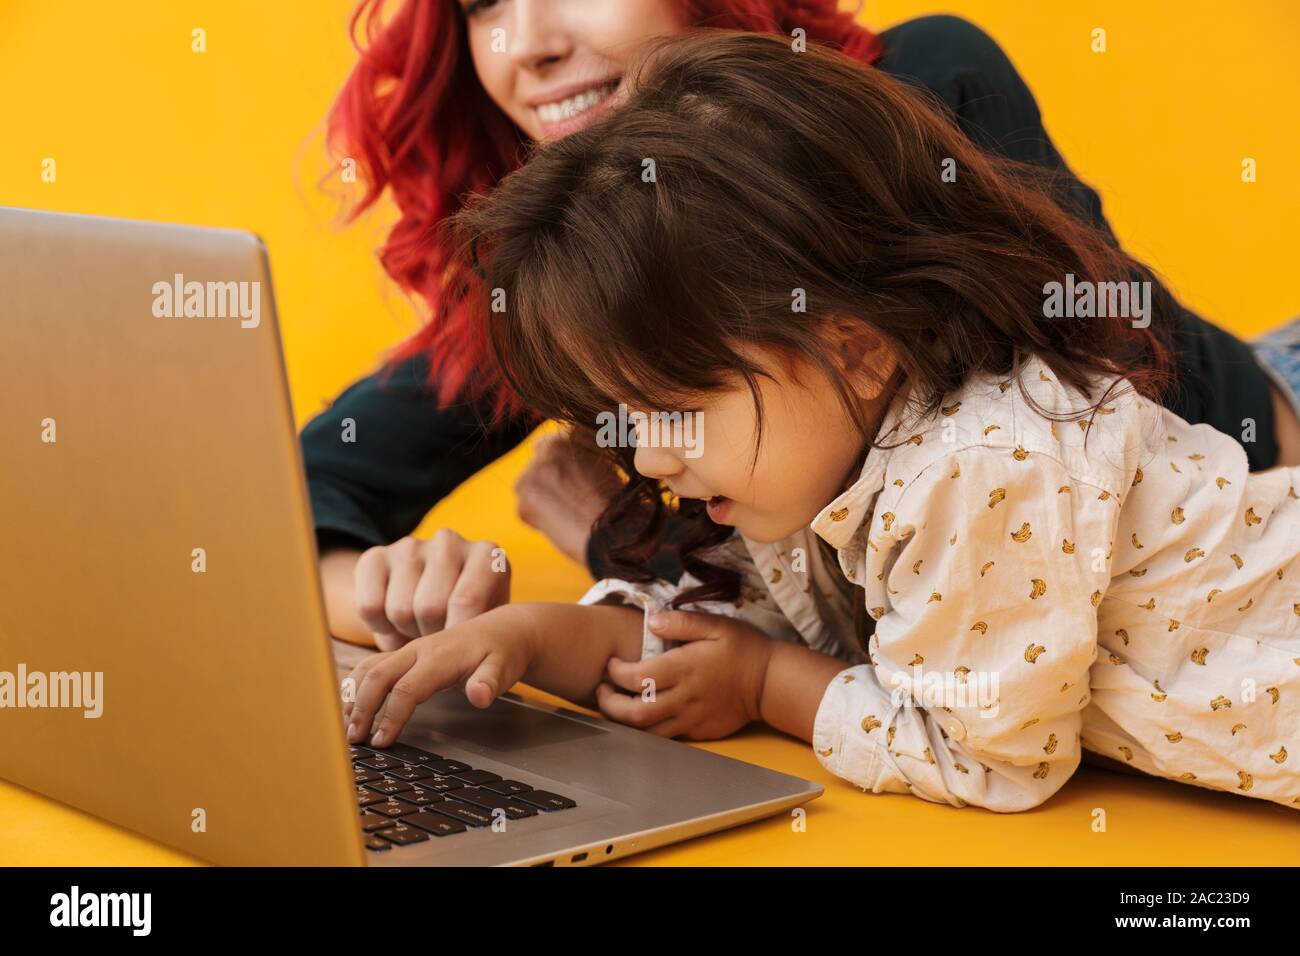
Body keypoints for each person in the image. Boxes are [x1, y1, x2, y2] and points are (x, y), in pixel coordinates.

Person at [342, 31, 1300, 813]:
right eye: (622, 418)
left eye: (672, 408)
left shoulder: (979, 467)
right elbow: (715, 630)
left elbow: (994, 759)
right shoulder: (818, 454)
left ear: (854, 347)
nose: (645, 455)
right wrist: (525, 638)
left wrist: (768, 685)